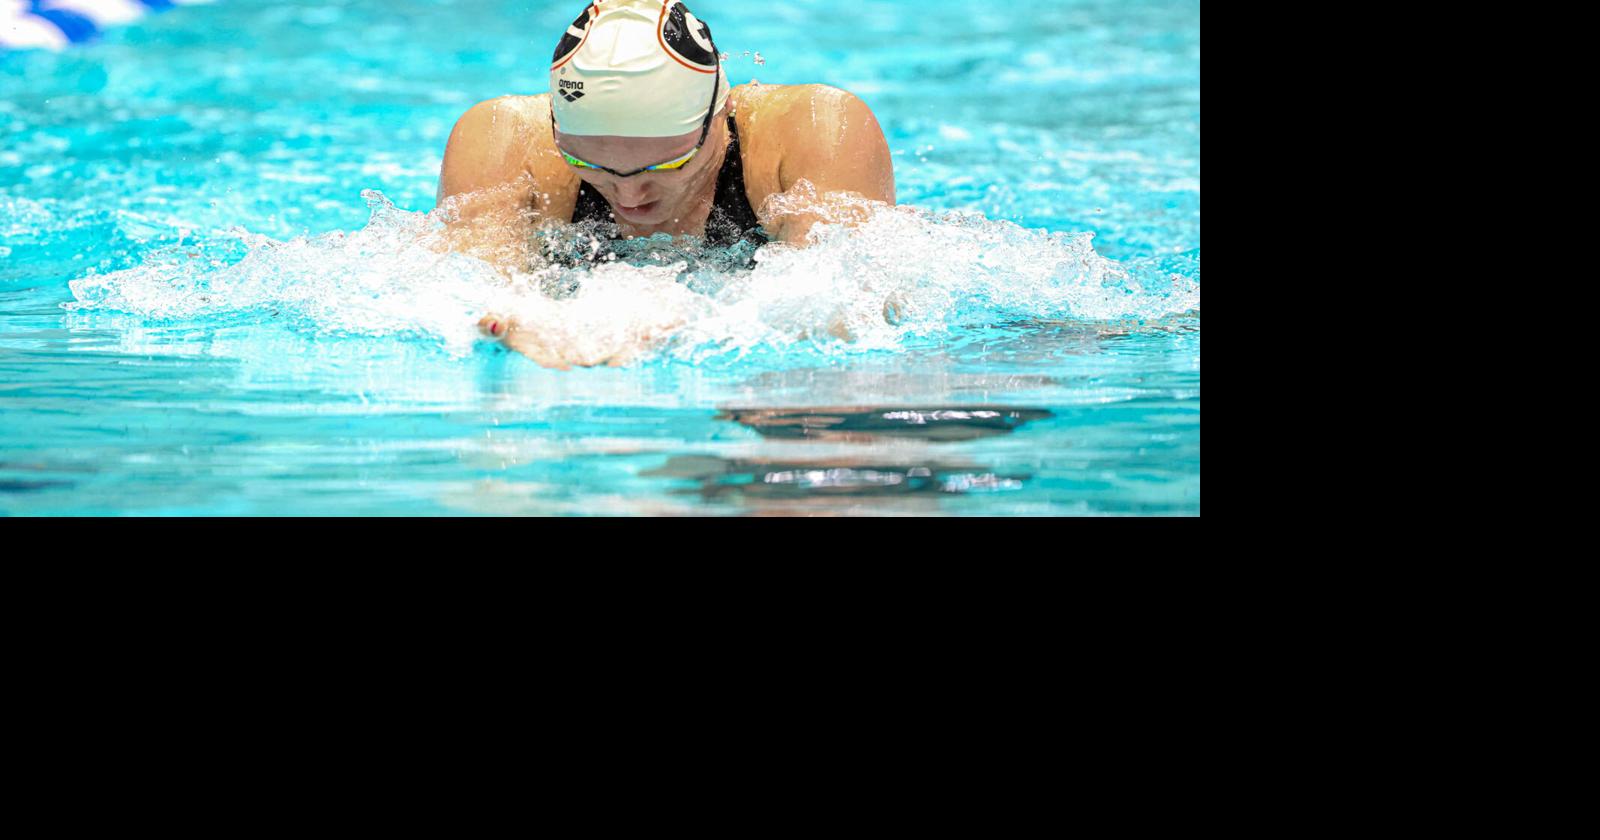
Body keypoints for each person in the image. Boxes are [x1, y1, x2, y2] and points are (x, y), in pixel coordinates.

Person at [435, 0, 896, 366]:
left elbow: (849, 309)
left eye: (664, 165)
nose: (629, 196)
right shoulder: (504, 138)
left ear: (720, 113)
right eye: (589, 164)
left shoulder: (814, 127)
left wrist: (693, 322)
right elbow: (467, 290)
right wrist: (525, 321)